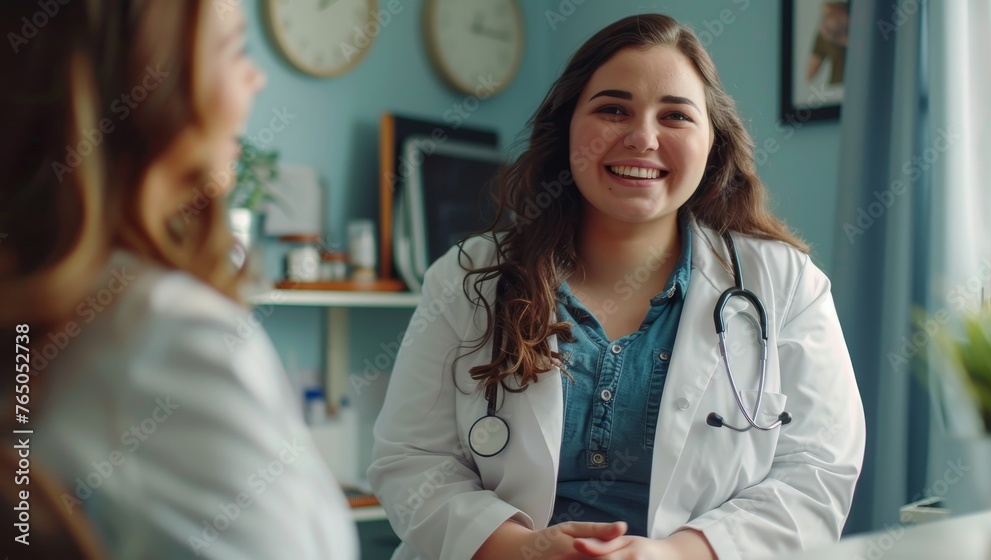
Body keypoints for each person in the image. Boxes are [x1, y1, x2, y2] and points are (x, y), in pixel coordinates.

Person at [369, 13, 865, 560]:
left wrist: (677, 553)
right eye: (613, 109)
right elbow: (411, 461)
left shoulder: (787, 286)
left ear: (711, 143)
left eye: (675, 115)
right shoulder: (467, 277)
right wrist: (524, 548)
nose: (642, 138)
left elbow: (817, 473)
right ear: (567, 131)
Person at [0, 2, 358, 558]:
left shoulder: (52, 318)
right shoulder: (166, 338)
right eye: (234, 48)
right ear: (146, 82)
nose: (256, 78)